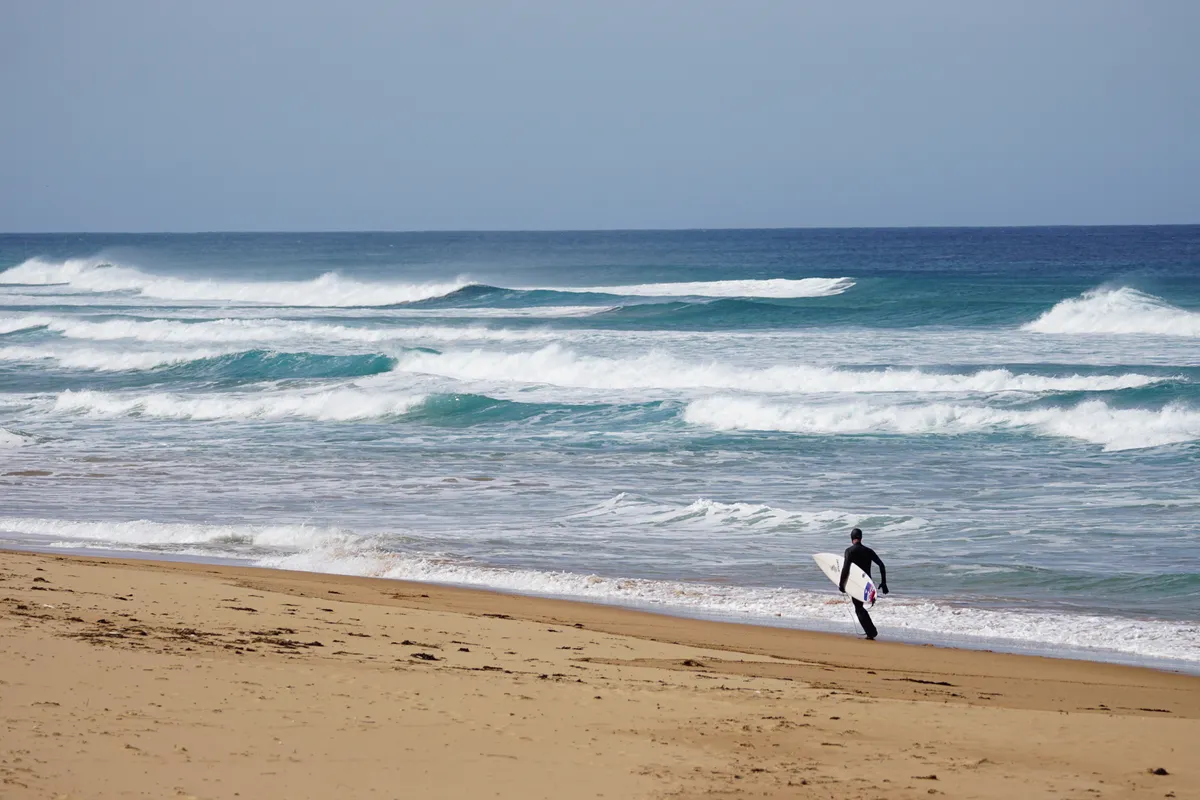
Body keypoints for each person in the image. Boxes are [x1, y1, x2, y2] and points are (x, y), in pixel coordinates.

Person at [838, 527, 889, 640]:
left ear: (851, 538)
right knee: (859, 607)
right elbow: (881, 565)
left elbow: (845, 569)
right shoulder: (868, 551)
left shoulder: (849, 551)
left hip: (856, 583)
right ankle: (870, 632)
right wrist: (883, 583)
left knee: (858, 607)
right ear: (861, 538)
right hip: (867, 584)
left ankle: (871, 632)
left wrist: (841, 584)